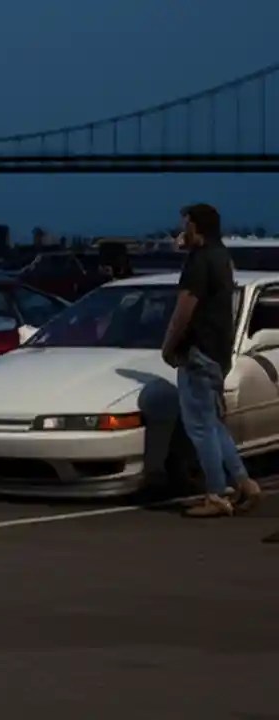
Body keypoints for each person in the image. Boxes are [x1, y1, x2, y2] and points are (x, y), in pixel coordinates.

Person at [161, 203, 262, 517]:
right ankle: (245, 483)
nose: (181, 231)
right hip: (218, 352)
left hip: (197, 352)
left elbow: (184, 309)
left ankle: (217, 495)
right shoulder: (222, 257)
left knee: (200, 428)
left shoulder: (199, 261)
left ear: (196, 227)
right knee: (214, 425)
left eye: (185, 225)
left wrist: (168, 346)